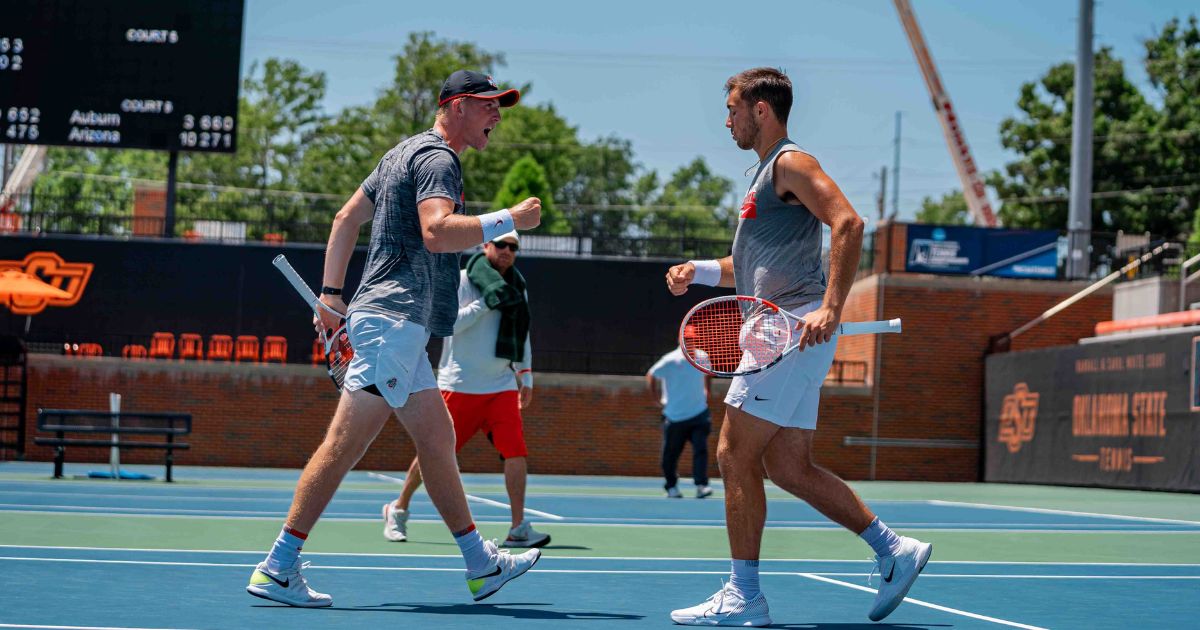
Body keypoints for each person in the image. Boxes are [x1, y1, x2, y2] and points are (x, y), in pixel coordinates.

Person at [246, 70, 544, 608]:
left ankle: (481, 565)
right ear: (456, 107)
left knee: (437, 440)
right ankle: (277, 565)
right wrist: (508, 219)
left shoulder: (398, 155)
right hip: (395, 324)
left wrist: (332, 294)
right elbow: (436, 232)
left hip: (392, 325)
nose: (497, 115)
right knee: (343, 447)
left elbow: (345, 218)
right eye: (488, 106)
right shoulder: (439, 160)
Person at [663, 68, 931, 626]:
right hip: (787, 331)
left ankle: (745, 596)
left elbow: (849, 224)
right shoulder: (765, 174)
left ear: (761, 110)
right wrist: (703, 270)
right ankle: (894, 549)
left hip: (785, 332)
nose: (727, 119)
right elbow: (757, 267)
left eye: (734, 108)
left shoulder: (790, 162)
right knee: (788, 465)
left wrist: (833, 307)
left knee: (733, 453)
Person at [384, 230, 550, 549]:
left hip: (500, 385)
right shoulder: (461, 280)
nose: (506, 251)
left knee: (516, 453)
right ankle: (399, 507)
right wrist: (486, 304)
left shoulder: (517, 288)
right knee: (436, 453)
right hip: (459, 384)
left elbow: (523, 332)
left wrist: (525, 375)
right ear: (486, 246)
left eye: (513, 247)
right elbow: (448, 324)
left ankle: (518, 527)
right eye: (501, 245)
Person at [646, 337, 713, 499]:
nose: (690, 343)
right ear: (680, 341)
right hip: (674, 417)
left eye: (693, 340)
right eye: (687, 340)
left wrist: (706, 391)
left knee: (701, 450)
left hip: (699, 414)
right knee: (670, 454)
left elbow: (708, 374)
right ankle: (671, 487)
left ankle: (701, 485)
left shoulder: (702, 357)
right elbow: (651, 375)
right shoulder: (669, 360)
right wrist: (656, 399)